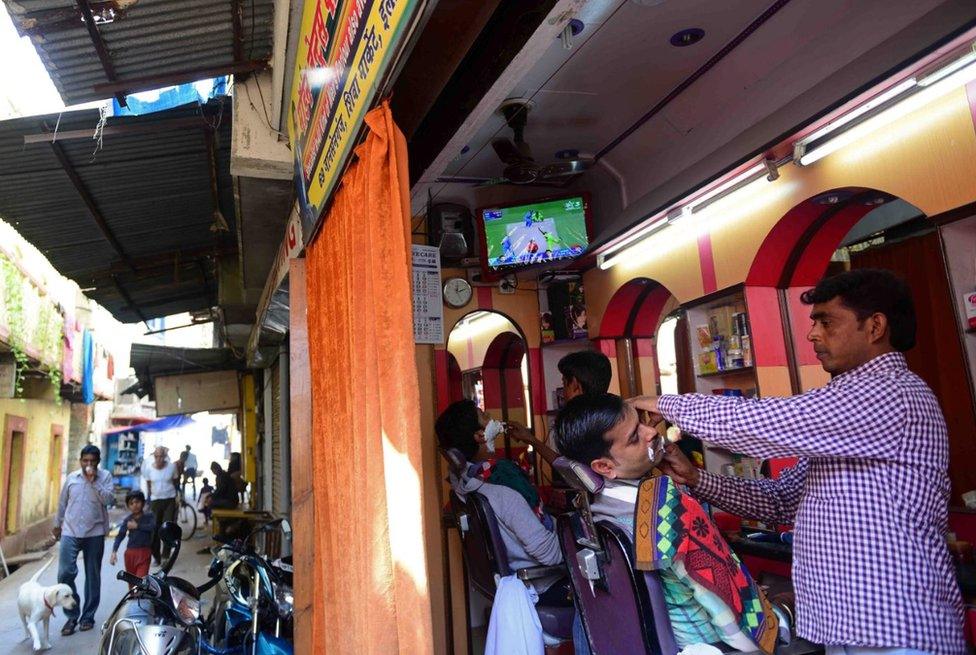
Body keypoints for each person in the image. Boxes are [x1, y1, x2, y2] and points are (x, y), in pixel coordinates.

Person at [636, 269, 965, 654]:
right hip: (847, 627)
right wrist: (696, 478)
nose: (812, 335)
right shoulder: (847, 408)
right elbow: (780, 500)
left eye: (827, 322)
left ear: (875, 326)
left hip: (898, 629)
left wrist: (664, 403)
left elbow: (762, 423)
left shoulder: (893, 394)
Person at [554, 393, 777, 652]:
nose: (651, 432)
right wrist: (766, 631)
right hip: (708, 643)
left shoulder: (594, 514)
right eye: (635, 437)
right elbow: (722, 606)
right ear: (604, 466)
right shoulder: (668, 515)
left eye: (642, 422)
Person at [435, 400, 569, 606]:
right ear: (480, 436)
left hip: (515, 580)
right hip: (543, 585)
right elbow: (550, 555)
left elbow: (456, 464)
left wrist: (530, 439)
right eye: (483, 415)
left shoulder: (465, 483)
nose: (489, 414)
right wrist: (576, 533)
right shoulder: (504, 490)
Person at [53, 444, 114, 635]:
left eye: (92, 461)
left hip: (94, 532)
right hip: (70, 531)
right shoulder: (71, 478)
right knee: (65, 573)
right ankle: (72, 615)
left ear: (98, 462)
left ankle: (87, 616)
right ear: (80, 461)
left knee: (92, 576)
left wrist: (94, 481)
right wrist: (57, 525)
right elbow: (63, 503)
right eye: (85, 461)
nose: (88, 464)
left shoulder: (106, 477)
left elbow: (109, 500)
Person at [109, 490, 155, 582]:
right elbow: (120, 536)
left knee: (140, 582)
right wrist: (114, 552)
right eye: (131, 503)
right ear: (128, 506)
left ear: (142, 502)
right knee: (132, 584)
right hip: (130, 554)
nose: (135, 505)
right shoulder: (127, 520)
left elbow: (153, 528)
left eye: (137, 502)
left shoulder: (149, 516)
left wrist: (137, 526)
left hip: (144, 553)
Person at [145, 446, 179, 564]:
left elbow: (176, 482)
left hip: (169, 499)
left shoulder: (172, 467)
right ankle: (156, 556)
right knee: (154, 529)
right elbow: (148, 485)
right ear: (154, 456)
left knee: (167, 528)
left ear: (165, 456)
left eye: (161, 456)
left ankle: (165, 555)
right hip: (155, 500)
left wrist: (178, 497)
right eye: (156, 456)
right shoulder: (149, 469)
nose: (159, 459)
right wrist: (148, 501)